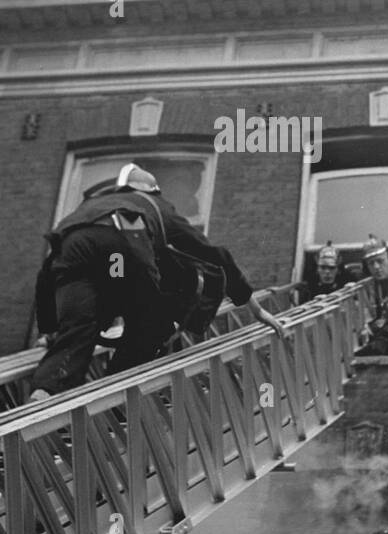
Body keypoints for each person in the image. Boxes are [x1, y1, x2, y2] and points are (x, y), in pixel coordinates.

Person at [30, 163, 285, 398]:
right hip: (123, 244)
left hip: (71, 249)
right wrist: (256, 308)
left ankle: (45, 394)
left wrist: (50, 329)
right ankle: (117, 395)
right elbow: (216, 256)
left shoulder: (89, 207)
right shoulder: (154, 205)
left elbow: (48, 275)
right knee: (153, 323)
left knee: (78, 328)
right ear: (155, 191)